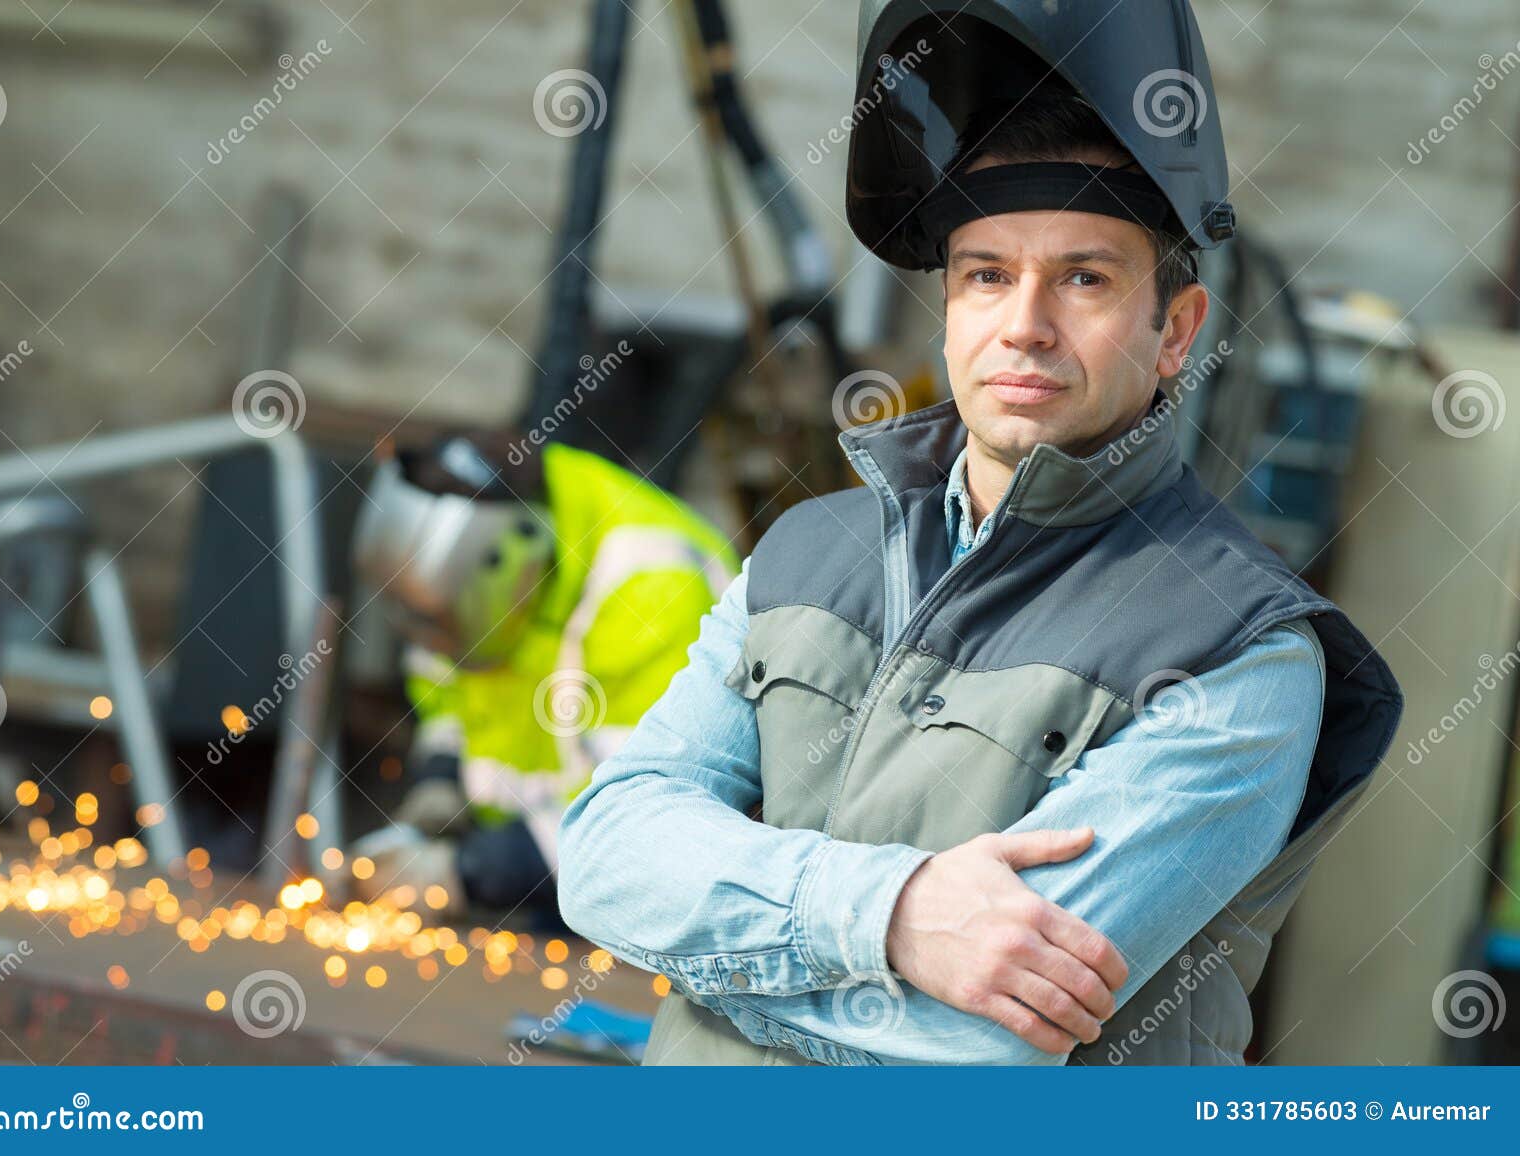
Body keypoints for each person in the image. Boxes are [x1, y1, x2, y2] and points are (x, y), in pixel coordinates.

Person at [556, 0, 1403, 1065]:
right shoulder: (806, 553)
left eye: (1084, 278)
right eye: (987, 275)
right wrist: (892, 914)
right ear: (949, 306)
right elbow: (598, 857)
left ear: (1176, 330)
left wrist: (704, 956)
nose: (1024, 323)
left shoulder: (1238, 651)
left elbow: (978, 1040)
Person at [350, 430, 738, 921]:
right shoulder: (466, 580)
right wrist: (441, 778)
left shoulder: (654, 590)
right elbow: (443, 683)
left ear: (514, 562)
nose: (431, 644)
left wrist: (470, 870)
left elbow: (638, 822)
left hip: (649, 905)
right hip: (529, 867)